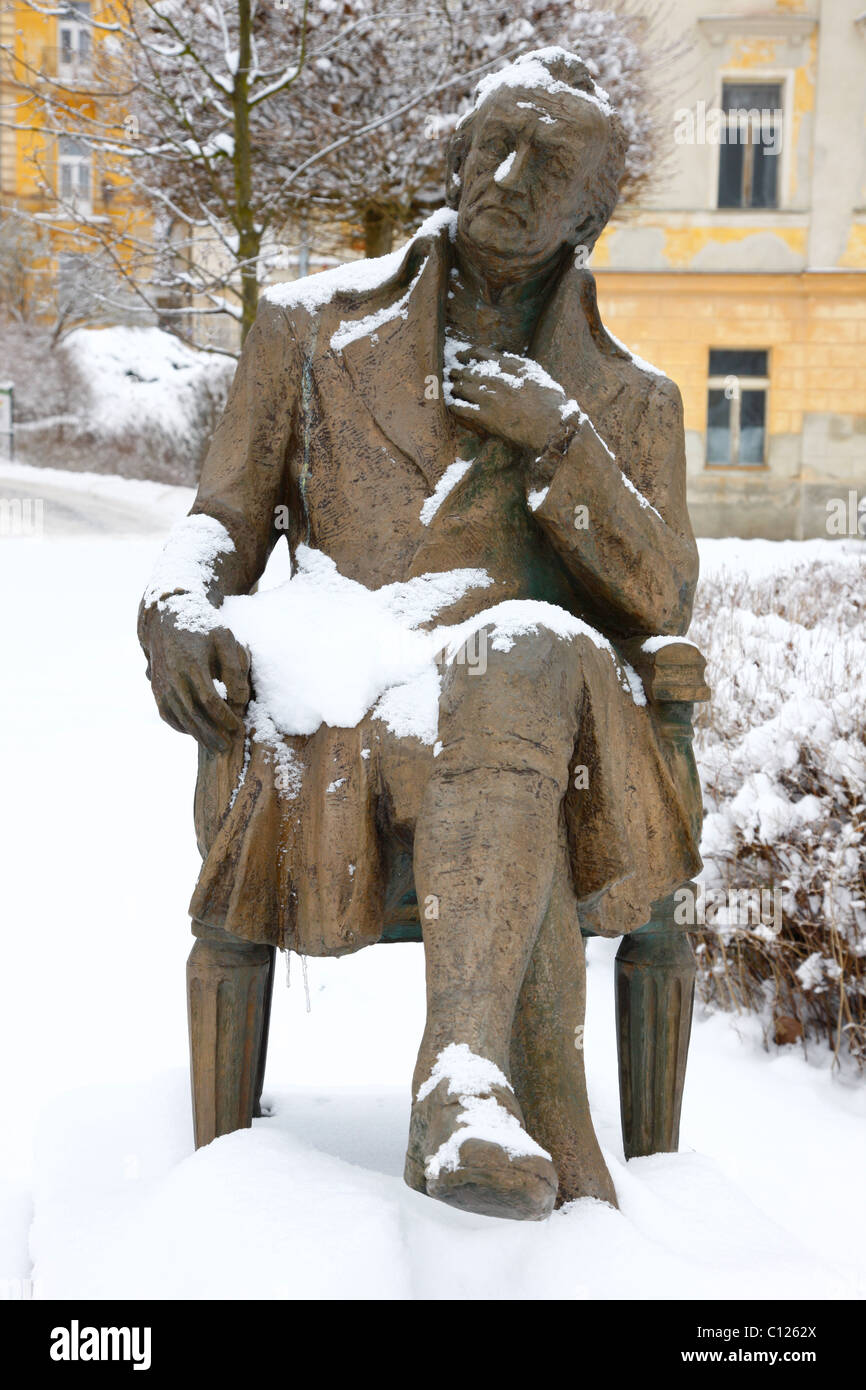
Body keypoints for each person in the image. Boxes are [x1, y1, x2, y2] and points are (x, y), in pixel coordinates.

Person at [139, 48, 701, 1221]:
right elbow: (221, 521)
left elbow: (661, 601)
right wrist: (178, 605)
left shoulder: (629, 400)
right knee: (506, 751)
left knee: (523, 653)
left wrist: (563, 445)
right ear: (455, 150)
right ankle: (492, 1105)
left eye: (546, 164)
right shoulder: (306, 329)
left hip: (561, 721)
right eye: (491, 141)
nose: (505, 174)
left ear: (593, 211)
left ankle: (459, 1080)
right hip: (363, 701)